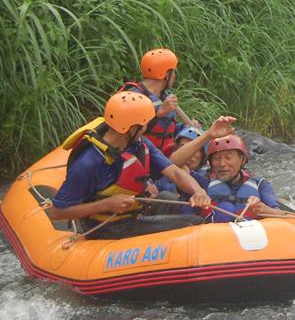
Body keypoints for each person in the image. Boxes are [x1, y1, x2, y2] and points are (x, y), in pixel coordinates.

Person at [49, 91, 211, 239]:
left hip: (131, 216)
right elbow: (57, 212)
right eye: (144, 124)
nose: (146, 128)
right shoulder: (89, 162)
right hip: (104, 227)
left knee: (167, 198)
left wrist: (198, 191)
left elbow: (174, 173)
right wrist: (106, 204)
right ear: (132, 128)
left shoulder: (139, 144)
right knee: (194, 223)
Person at [121, 48, 198, 156]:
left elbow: (166, 128)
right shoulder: (133, 95)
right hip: (138, 155)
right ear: (166, 74)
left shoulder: (164, 95)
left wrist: (185, 129)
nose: (174, 76)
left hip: (163, 157)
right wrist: (158, 114)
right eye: (173, 72)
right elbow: (125, 132)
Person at [203, 135, 280, 222]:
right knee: (225, 207)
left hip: (251, 232)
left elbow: (279, 214)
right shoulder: (202, 184)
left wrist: (266, 210)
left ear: (242, 160)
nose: (222, 164)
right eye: (216, 158)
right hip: (215, 233)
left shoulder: (260, 184)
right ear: (211, 163)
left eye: (228, 158)